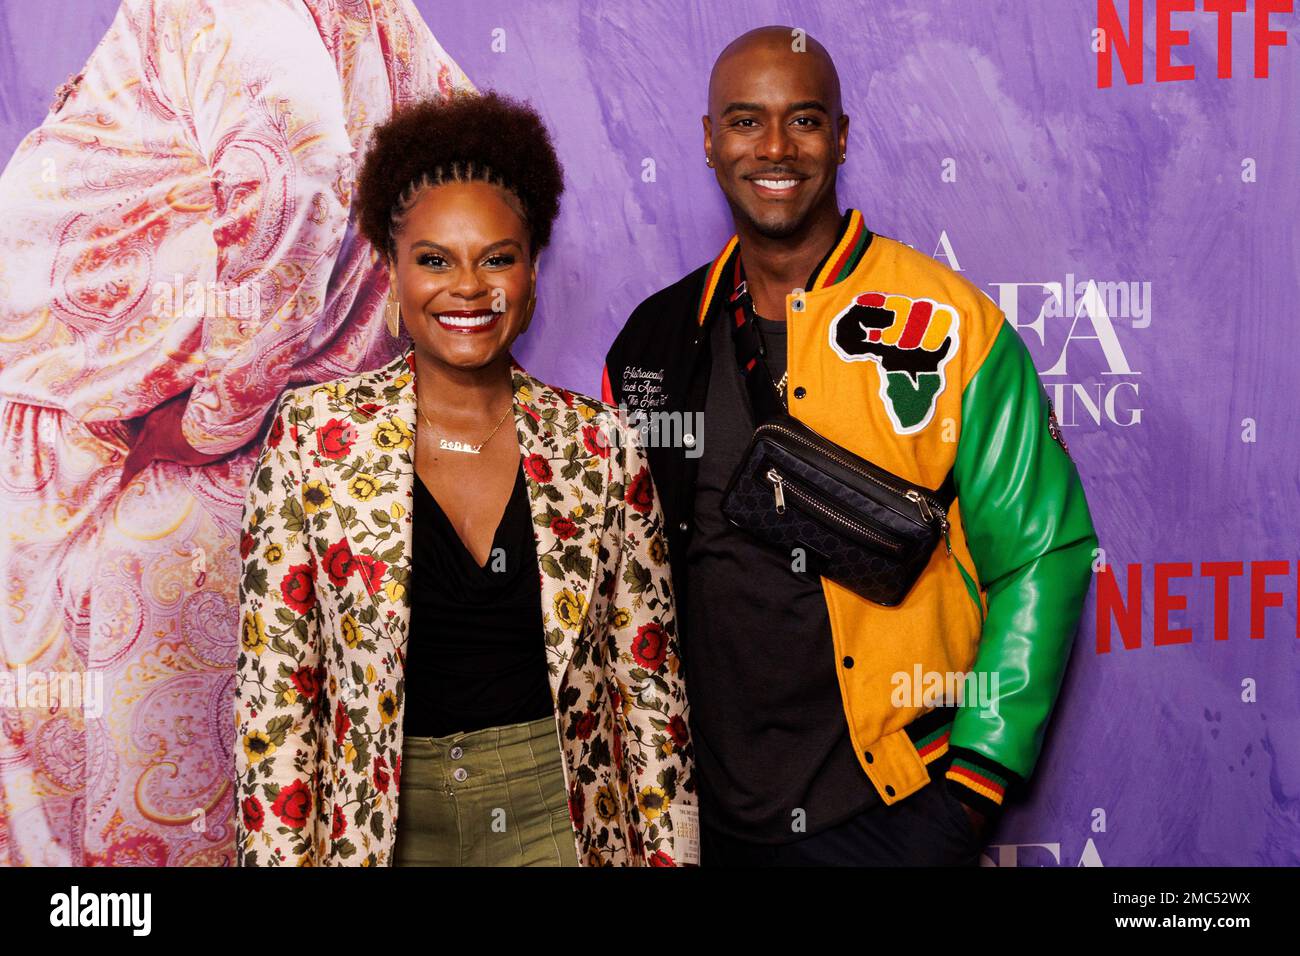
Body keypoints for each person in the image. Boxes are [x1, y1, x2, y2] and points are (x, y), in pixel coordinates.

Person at [601, 26, 1097, 866]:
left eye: (803, 119)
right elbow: (623, 572)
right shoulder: (653, 339)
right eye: (745, 121)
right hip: (697, 816)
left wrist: (976, 781)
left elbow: (1044, 554)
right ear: (709, 141)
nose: (775, 147)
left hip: (891, 808)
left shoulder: (954, 326)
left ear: (841, 136)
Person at [0, 0, 472, 866]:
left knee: (132, 816)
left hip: (141, 457)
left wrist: (222, 407)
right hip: (195, 447)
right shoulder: (367, 17)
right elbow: (458, 159)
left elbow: (301, 165)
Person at [233, 89, 696, 867]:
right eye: (435, 259)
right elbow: (277, 702)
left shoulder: (602, 444)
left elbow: (649, 690)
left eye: (497, 258)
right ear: (391, 272)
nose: (469, 289)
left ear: (532, 272)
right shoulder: (314, 440)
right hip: (379, 826)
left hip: (561, 818)